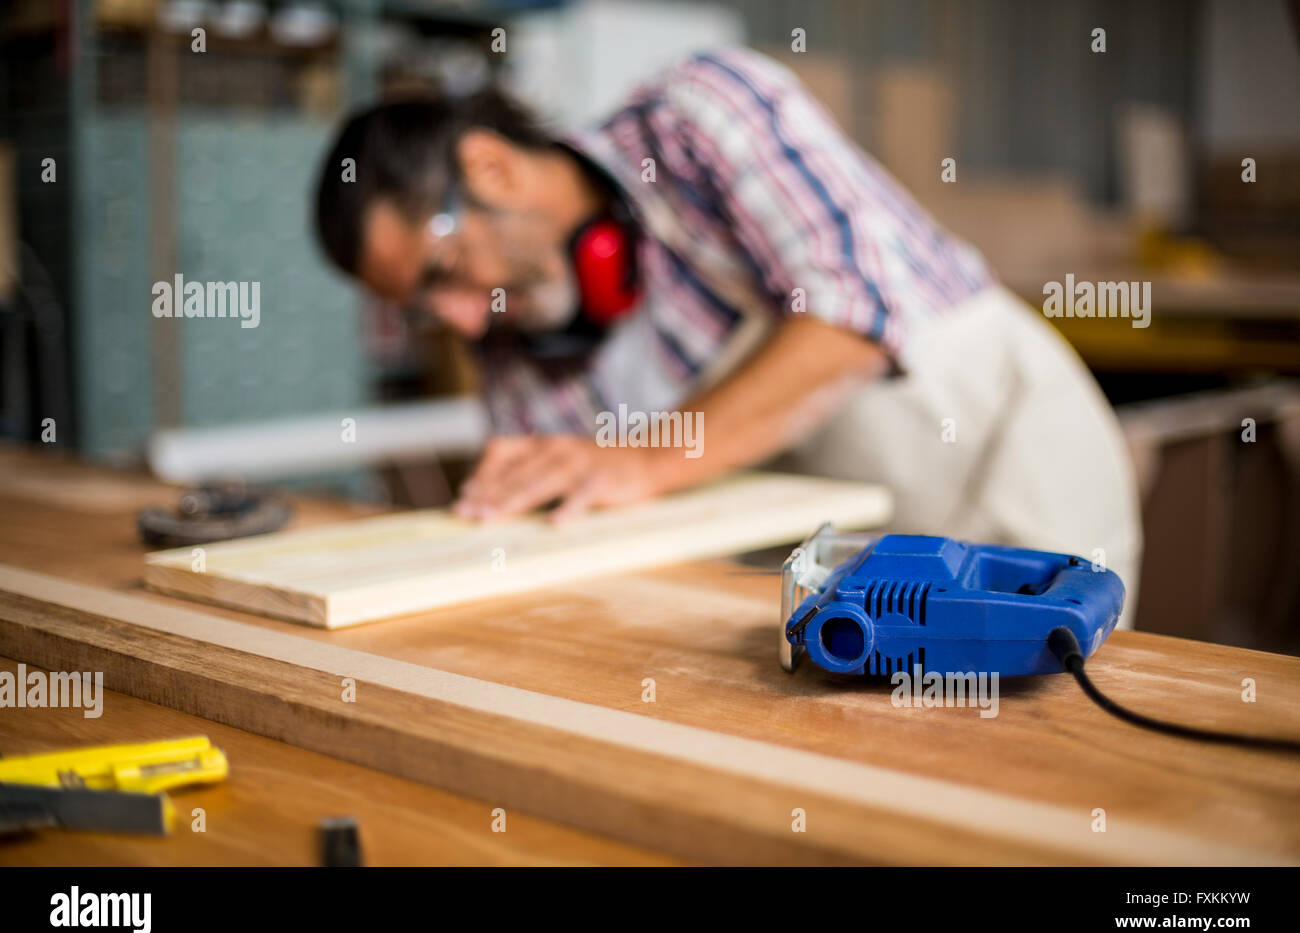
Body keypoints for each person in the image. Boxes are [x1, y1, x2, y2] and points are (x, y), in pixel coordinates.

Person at [313, 47, 1142, 613]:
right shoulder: (509, 335)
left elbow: (853, 315)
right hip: (851, 556)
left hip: (1000, 467)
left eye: (440, 274)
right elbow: (576, 524)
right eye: (425, 310)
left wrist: (640, 459)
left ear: (490, 167)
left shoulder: (696, 115)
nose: (457, 321)